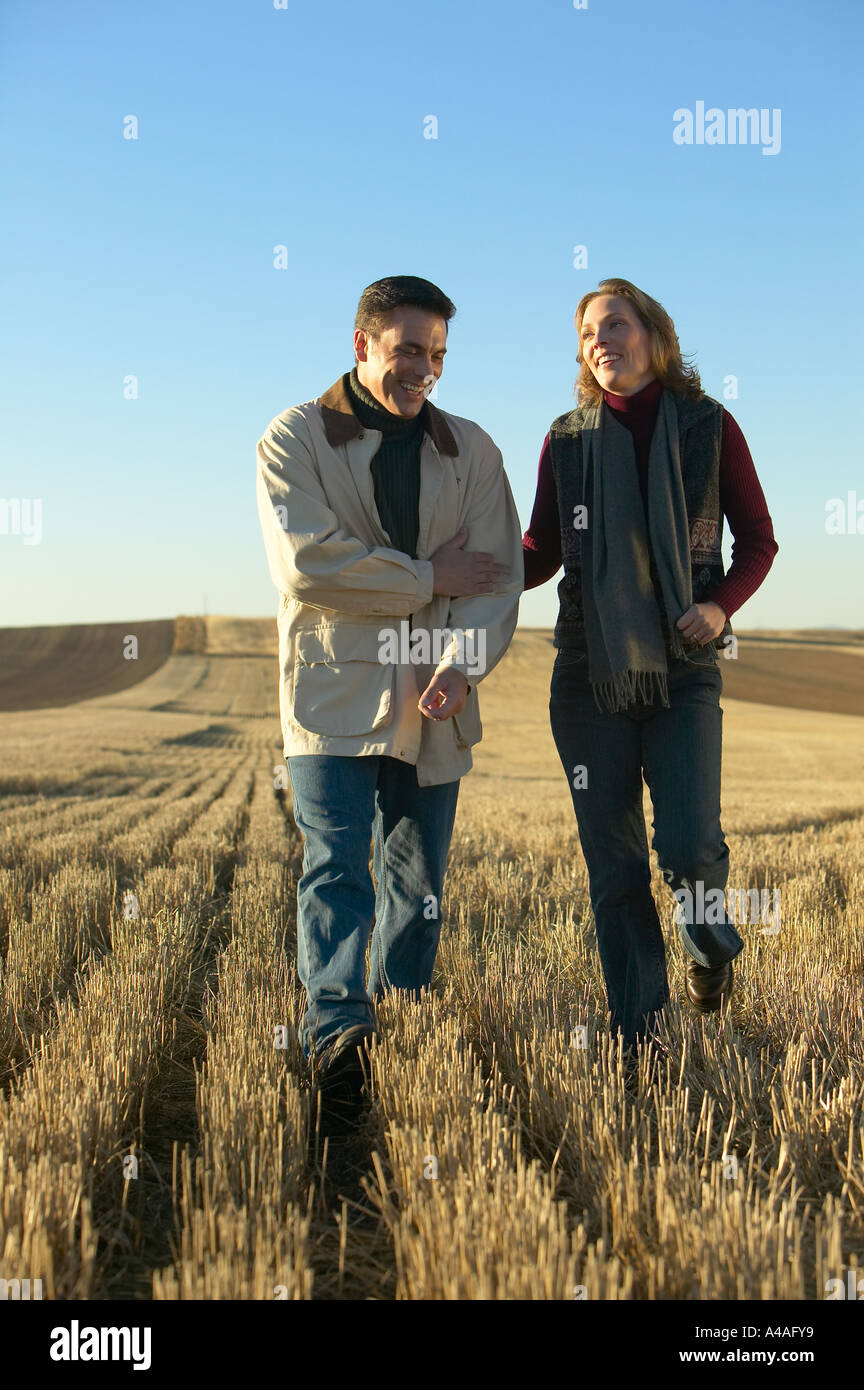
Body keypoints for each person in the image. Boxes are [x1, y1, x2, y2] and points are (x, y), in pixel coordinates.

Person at [256, 275, 522, 1143]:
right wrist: (426, 576)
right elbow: (309, 565)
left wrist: (463, 661)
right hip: (332, 690)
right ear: (364, 342)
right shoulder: (295, 436)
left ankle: (402, 1024)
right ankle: (339, 1038)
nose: (425, 370)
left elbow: (499, 577)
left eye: (439, 354)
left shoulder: (472, 450)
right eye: (410, 349)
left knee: (418, 882)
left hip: (433, 693)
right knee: (335, 871)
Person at [522, 277, 779, 1055]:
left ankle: (709, 949)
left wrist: (721, 605)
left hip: (686, 666)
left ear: (654, 335)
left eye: (616, 324)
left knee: (690, 849)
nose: (602, 341)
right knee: (616, 867)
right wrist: (464, 562)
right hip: (588, 672)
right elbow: (540, 552)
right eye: (588, 333)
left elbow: (759, 540)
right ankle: (644, 1035)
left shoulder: (708, 426)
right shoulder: (566, 439)